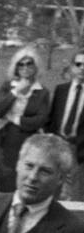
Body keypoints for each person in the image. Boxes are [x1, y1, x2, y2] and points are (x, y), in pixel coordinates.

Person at [0, 45, 51, 177]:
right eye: (21, 64)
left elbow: (39, 120)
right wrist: (16, 91)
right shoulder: (8, 86)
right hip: (7, 138)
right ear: (16, 67)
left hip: (29, 141)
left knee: (24, 175)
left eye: (29, 64)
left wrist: (14, 118)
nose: (25, 67)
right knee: (5, 174)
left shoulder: (42, 92)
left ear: (36, 67)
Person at [47, 48, 84, 201]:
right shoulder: (61, 90)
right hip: (58, 145)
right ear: (72, 67)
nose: (82, 68)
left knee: (76, 195)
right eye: (79, 64)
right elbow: (51, 120)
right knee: (51, 189)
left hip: (79, 151)